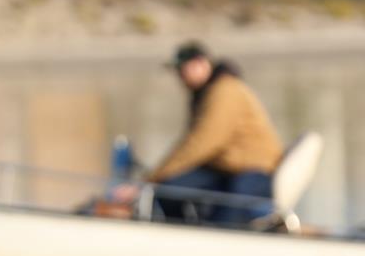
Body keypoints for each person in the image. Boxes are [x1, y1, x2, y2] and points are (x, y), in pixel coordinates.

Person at [118, 41, 284, 226]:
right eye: (178, 71)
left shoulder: (225, 90)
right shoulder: (205, 92)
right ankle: (179, 230)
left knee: (226, 217)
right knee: (171, 189)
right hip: (224, 169)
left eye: (184, 69)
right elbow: (194, 145)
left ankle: (213, 234)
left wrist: (151, 179)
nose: (180, 76)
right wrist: (159, 180)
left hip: (256, 171)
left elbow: (201, 144)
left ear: (202, 63)